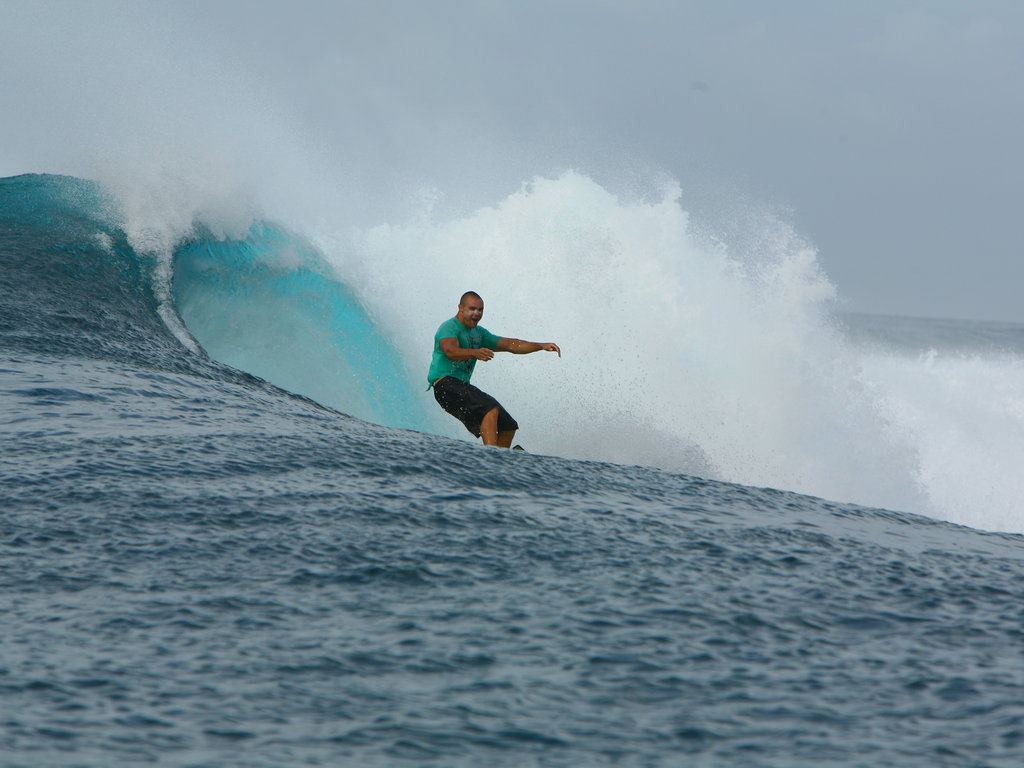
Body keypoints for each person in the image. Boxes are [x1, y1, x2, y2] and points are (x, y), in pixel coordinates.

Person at [428, 291, 560, 448]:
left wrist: (540, 346)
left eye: (480, 309)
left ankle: (501, 460)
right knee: (490, 409)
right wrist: (474, 352)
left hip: (460, 386)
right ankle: (491, 456)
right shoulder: (449, 327)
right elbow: (450, 351)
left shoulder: (479, 333)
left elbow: (511, 345)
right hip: (445, 384)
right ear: (460, 308)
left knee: (508, 425)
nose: (477, 313)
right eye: (472, 309)